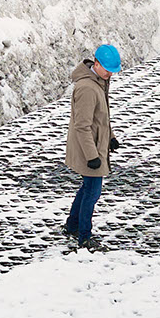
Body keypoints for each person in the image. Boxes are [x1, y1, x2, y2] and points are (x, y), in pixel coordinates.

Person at [63, 44, 121, 249]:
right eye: (107, 70)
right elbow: (82, 126)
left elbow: (101, 116)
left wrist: (110, 137)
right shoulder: (87, 88)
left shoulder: (99, 82)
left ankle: (72, 225)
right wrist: (92, 156)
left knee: (88, 188)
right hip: (89, 148)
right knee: (92, 192)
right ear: (96, 64)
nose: (110, 74)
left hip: (95, 145)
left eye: (113, 71)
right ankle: (84, 236)